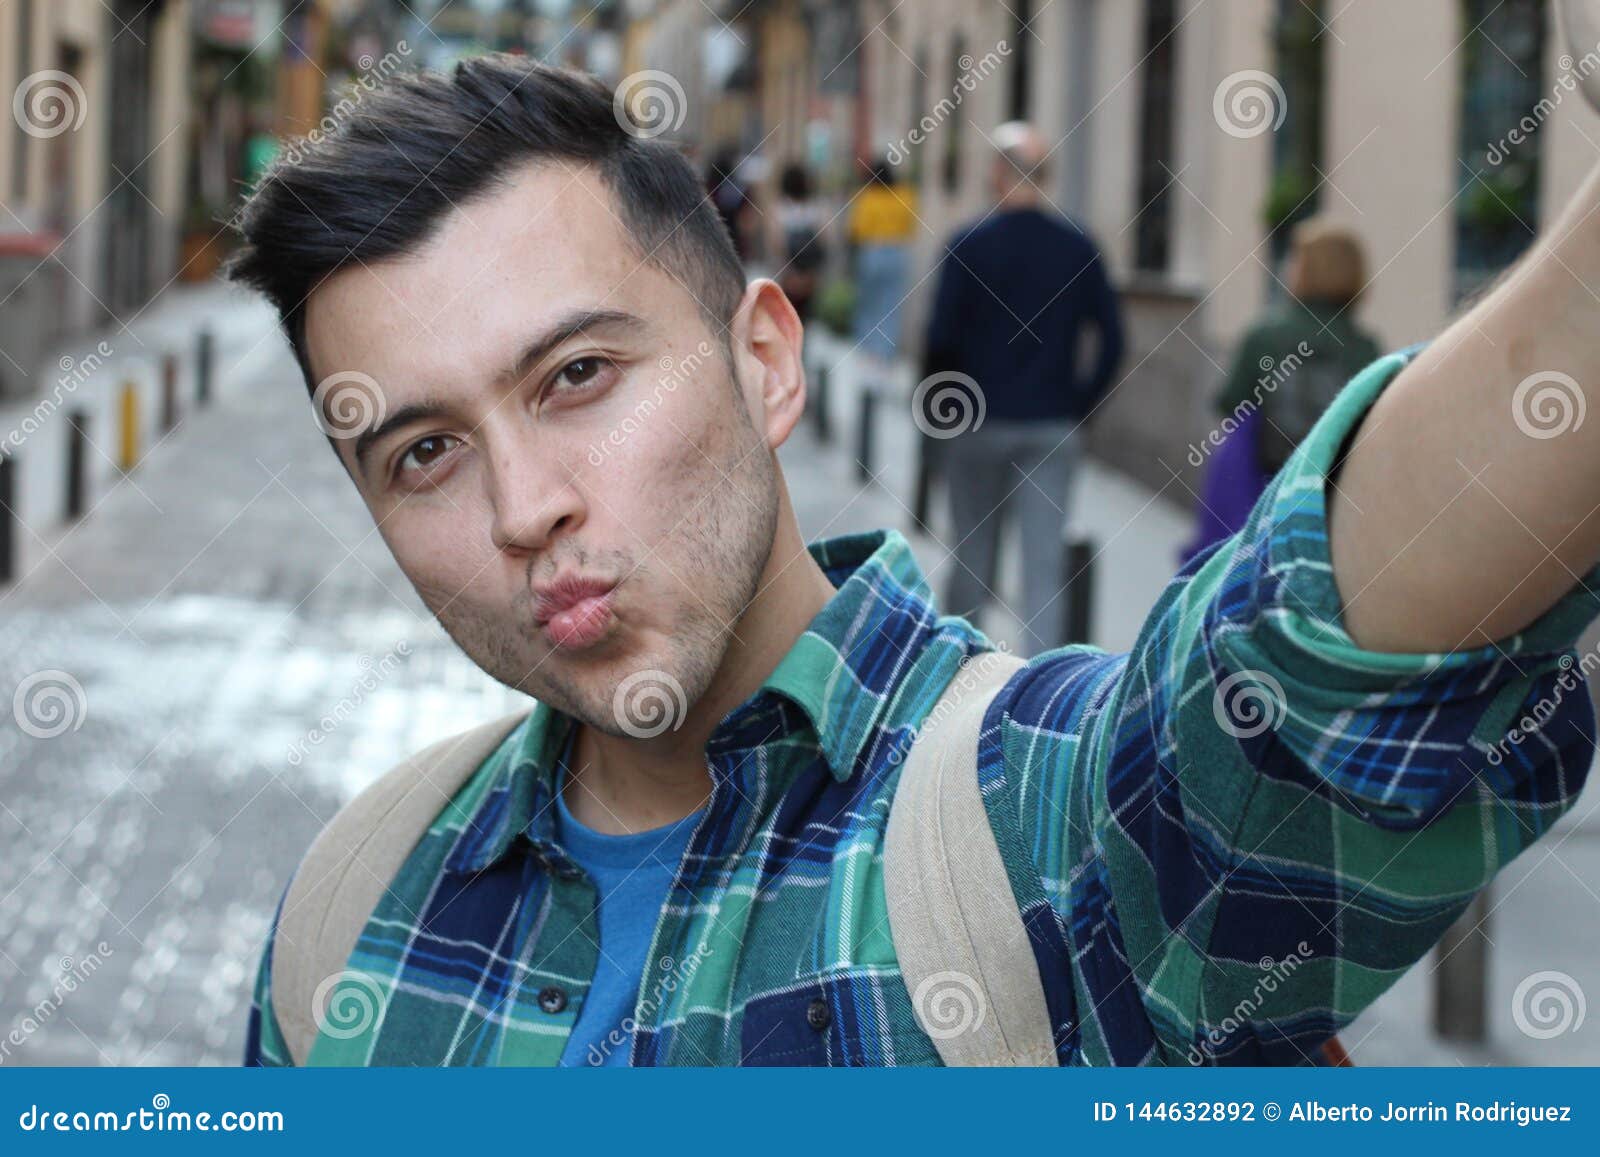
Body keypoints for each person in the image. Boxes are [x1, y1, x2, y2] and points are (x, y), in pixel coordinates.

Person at [228, 54, 1600, 1067]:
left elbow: (1309, 667)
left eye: (579, 375)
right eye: (423, 453)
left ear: (767, 361)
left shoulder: (1042, 830)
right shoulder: (352, 916)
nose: (523, 507)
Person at [924, 121, 1123, 656]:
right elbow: (1113, 340)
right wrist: (1078, 407)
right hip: (1051, 424)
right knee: (1044, 567)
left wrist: (944, 411)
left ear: (995, 175)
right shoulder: (1078, 248)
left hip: (978, 424)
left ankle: (959, 677)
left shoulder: (966, 245)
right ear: (1047, 177)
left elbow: (939, 341)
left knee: (971, 558)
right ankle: (1042, 693)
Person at [1182, 217, 1381, 562]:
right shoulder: (1366, 349)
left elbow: (1230, 405)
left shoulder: (1263, 336)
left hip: (1266, 497)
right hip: (1333, 505)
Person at [845, 155, 917, 381]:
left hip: (872, 250)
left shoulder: (867, 196)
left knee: (868, 302)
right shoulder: (905, 195)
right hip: (897, 251)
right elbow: (910, 224)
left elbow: (856, 229)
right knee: (890, 305)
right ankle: (885, 356)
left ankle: (867, 352)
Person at [770, 162, 827, 325]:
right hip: (809, 273)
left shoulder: (780, 209)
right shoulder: (815, 208)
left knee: (786, 317)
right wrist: (811, 273)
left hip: (788, 273)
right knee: (805, 317)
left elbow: (777, 244)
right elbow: (822, 242)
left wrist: (789, 272)